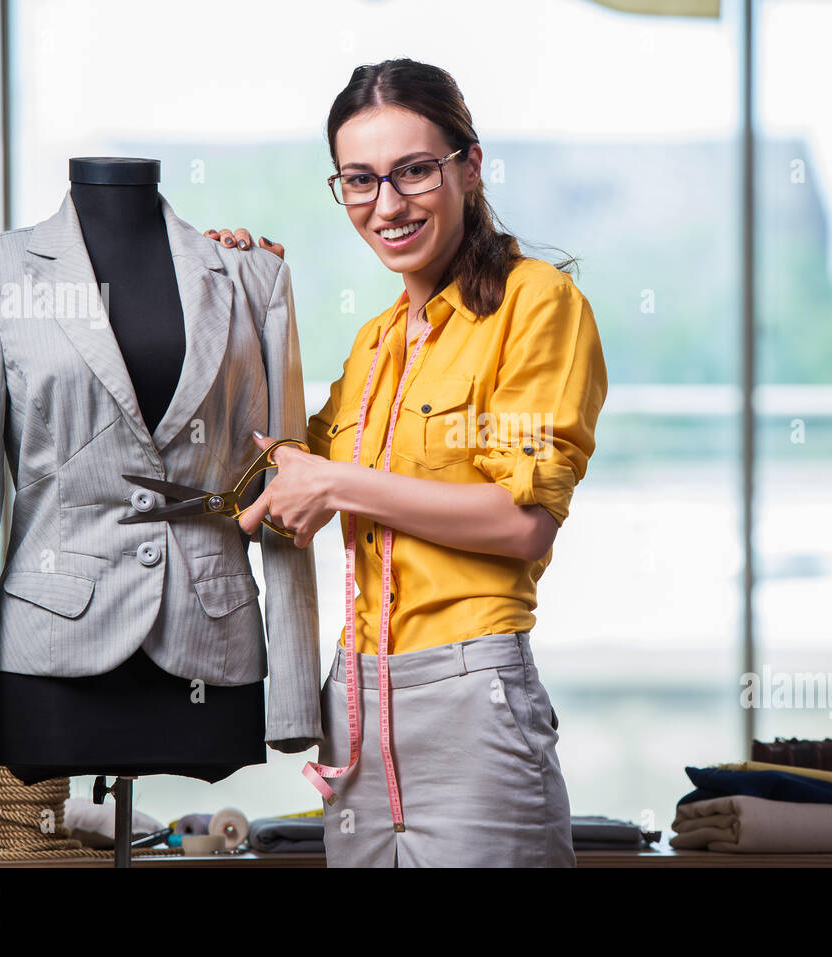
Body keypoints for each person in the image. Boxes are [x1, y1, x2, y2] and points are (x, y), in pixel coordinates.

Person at [206, 58, 608, 867]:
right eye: (359, 180)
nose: (386, 205)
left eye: (413, 171)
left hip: (472, 703)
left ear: (469, 166)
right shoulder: (375, 342)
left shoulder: (535, 304)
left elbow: (522, 522)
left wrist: (339, 482)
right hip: (352, 705)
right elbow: (264, 481)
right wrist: (237, 303)